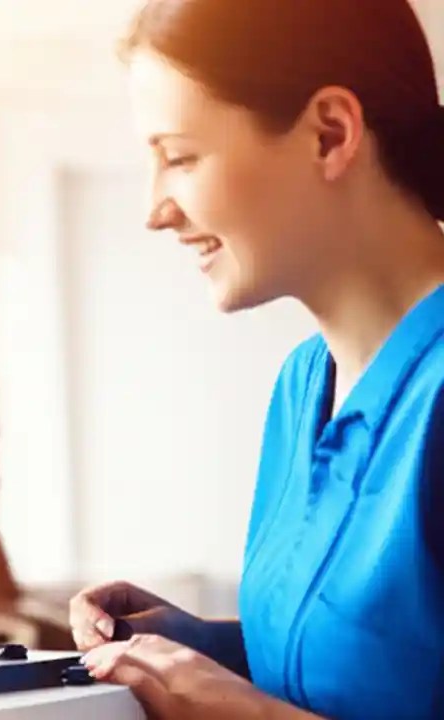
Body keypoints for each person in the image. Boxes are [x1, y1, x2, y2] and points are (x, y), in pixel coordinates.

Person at [68, 1, 444, 718]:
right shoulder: (303, 387)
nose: (154, 209)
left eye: (178, 157)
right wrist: (198, 647)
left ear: (330, 134)